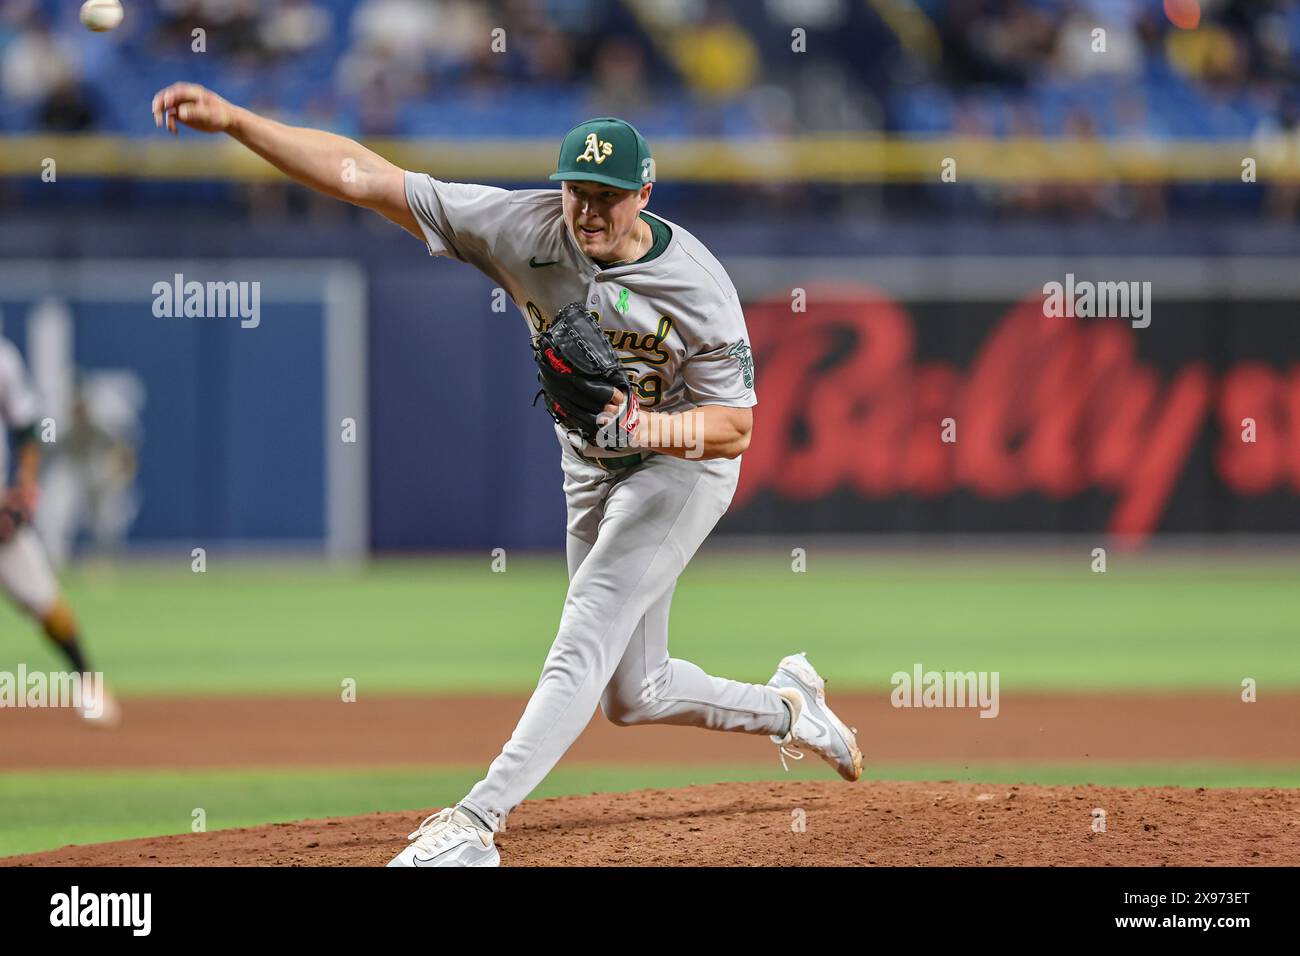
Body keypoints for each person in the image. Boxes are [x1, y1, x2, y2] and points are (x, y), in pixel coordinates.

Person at [149, 83, 862, 867]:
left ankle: (476, 824)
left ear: (644, 195)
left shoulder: (697, 285)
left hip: (678, 464)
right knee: (635, 693)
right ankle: (792, 709)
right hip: (588, 464)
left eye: (608, 197)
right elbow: (364, 175)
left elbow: (736, 430)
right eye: (576, 192)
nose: (588, 212)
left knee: (584, 630)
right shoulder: (517, 227)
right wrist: (240, 123)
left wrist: (647, 426)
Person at [0, 335, 118, 725]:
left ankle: (88, 683)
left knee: (50, 608)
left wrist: (27, 485)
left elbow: (24, 428)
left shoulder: (3, 359)